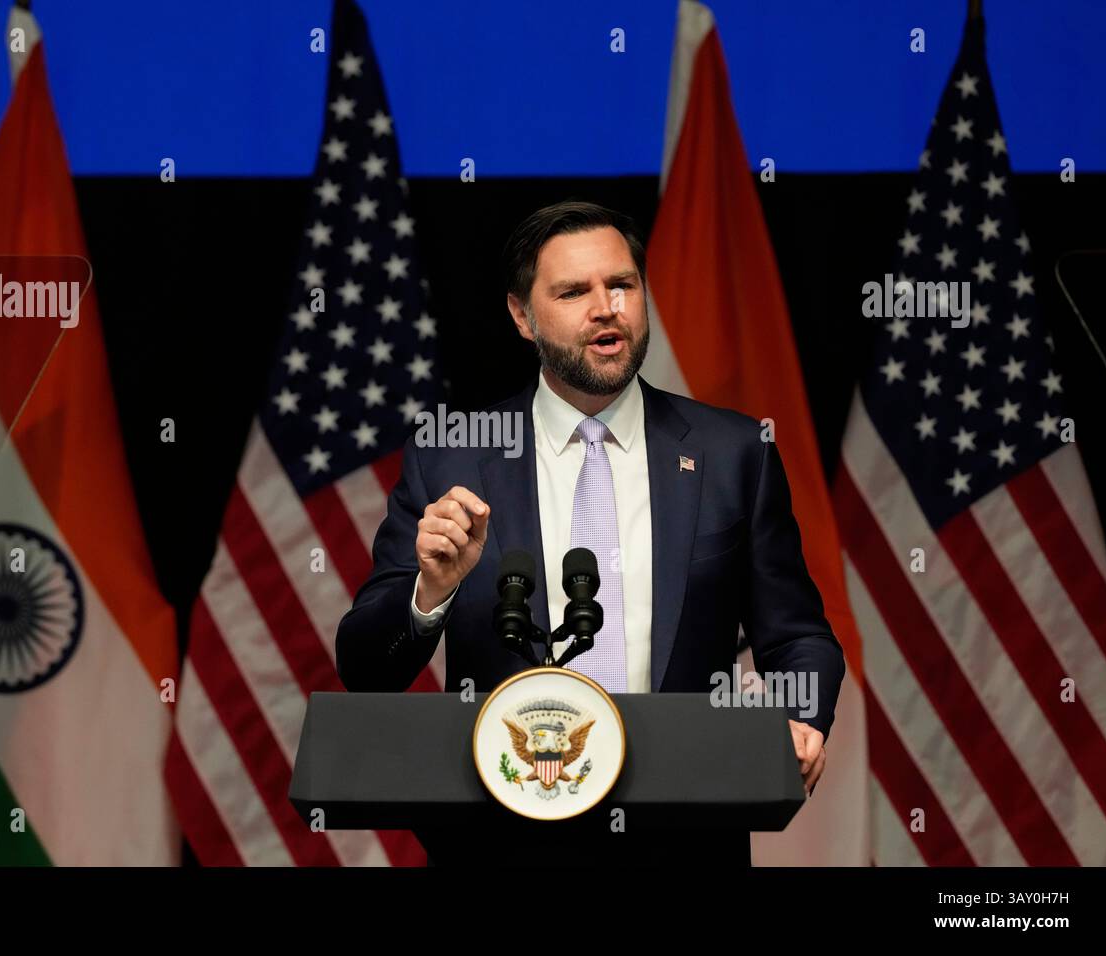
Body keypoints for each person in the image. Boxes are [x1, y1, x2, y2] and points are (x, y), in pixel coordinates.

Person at [335, 200, 845, 865]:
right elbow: (365, 668)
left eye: (622, 285)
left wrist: (799, 715)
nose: (607, 308)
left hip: (685, 838)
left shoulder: (732, 452)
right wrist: (429, 593)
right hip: (502, 839)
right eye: (575, 292)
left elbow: (798, 634)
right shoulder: (453, 457)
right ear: (522, 315)